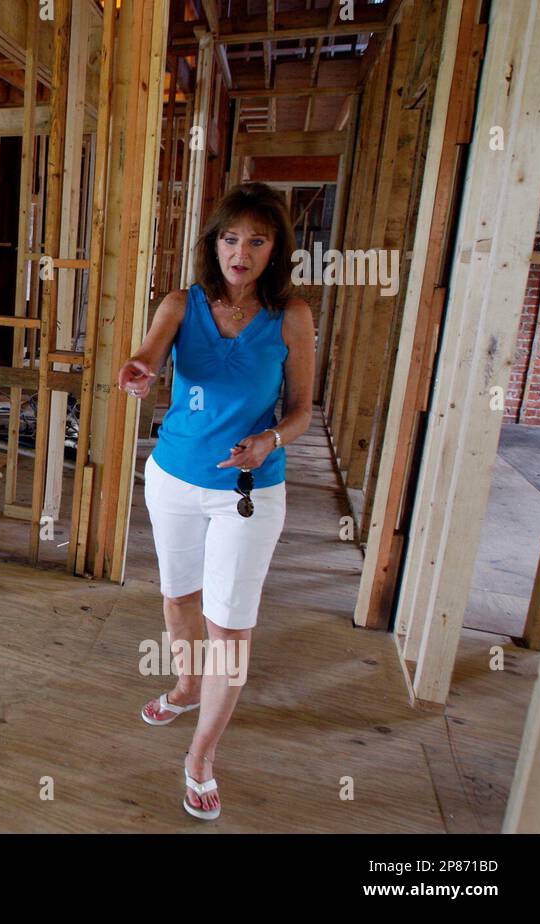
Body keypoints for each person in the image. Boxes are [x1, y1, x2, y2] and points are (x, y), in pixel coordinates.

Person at [116, 182, 315, 820]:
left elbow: (304, 411)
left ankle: (200, 757)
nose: (241, 250)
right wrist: (139, 371)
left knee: (230, 625)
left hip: (248, 491)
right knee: (179, 598)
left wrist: (271, 439)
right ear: (214, 243)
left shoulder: (293, 317)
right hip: (173, 478)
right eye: (231, 237)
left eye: (257, 240)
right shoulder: (182, 304)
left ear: (275, 249)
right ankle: (183, 683)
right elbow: (147, 356)